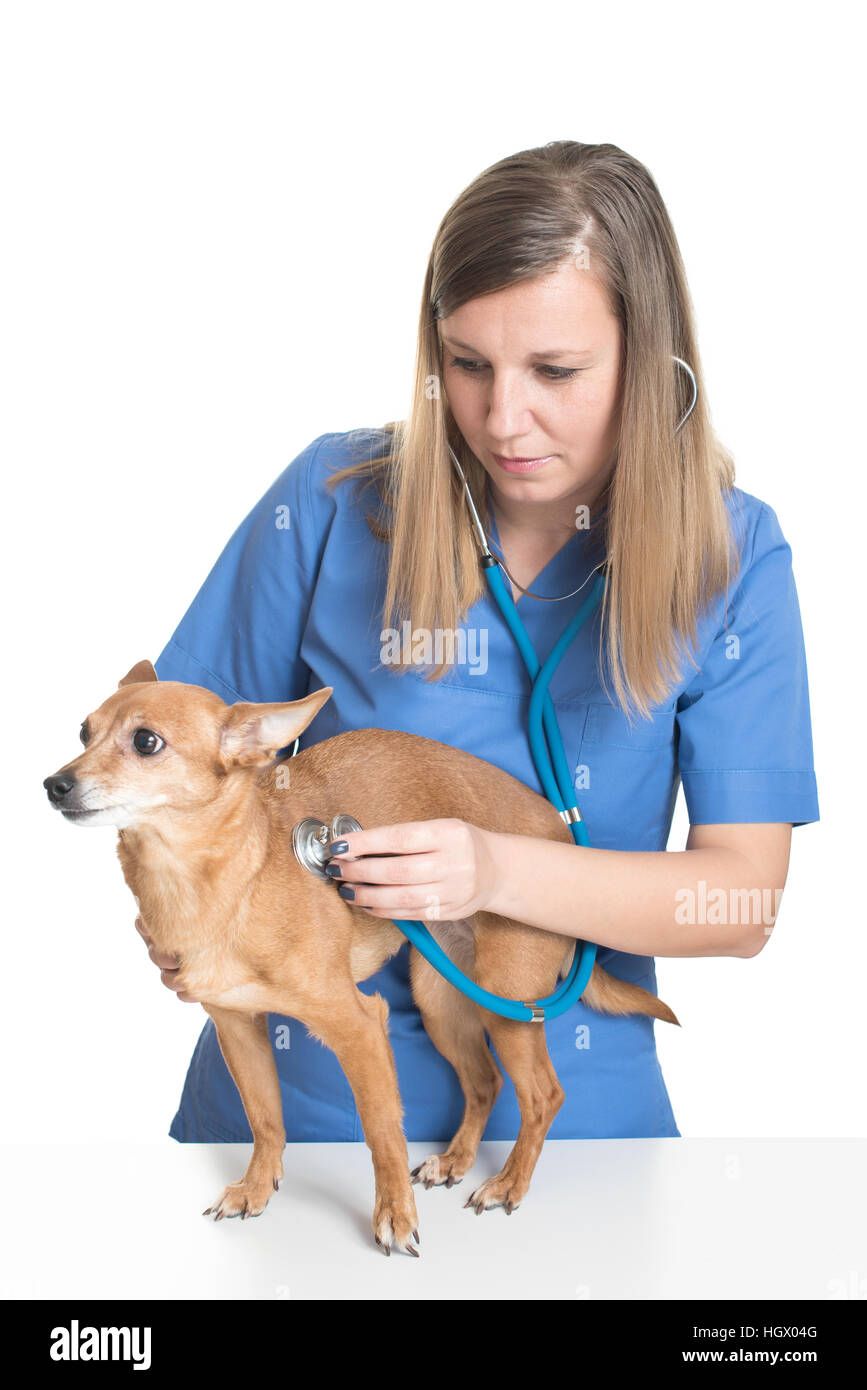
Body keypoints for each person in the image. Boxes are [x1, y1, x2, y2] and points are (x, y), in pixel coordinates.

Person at [140, 139, 819, 1145]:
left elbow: (739, 900)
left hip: (579, 1137)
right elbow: (168, 762)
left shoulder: (736, 556)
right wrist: (181, 905)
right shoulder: (329, 505)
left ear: (650, 358)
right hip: (299, 1128)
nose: (503, 419)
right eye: (467, 364)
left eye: (556, 370)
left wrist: (493, 872)